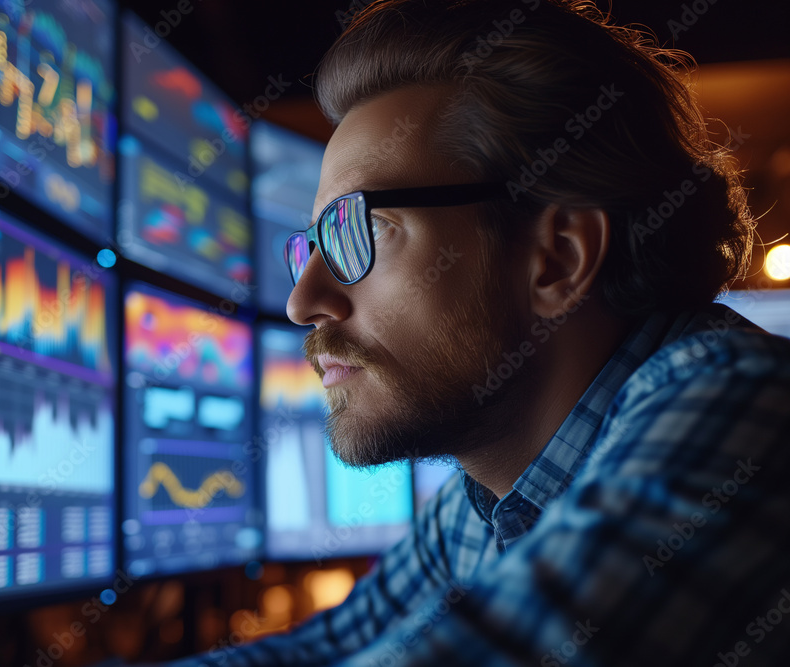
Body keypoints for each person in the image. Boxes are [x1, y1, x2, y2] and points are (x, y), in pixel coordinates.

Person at [170, 0, 790, 664]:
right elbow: (319, 649)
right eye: (314, 245)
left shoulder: (743, 400)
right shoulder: (486, 500)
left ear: (559, 257)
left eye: (360, 231)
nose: (303, 300)